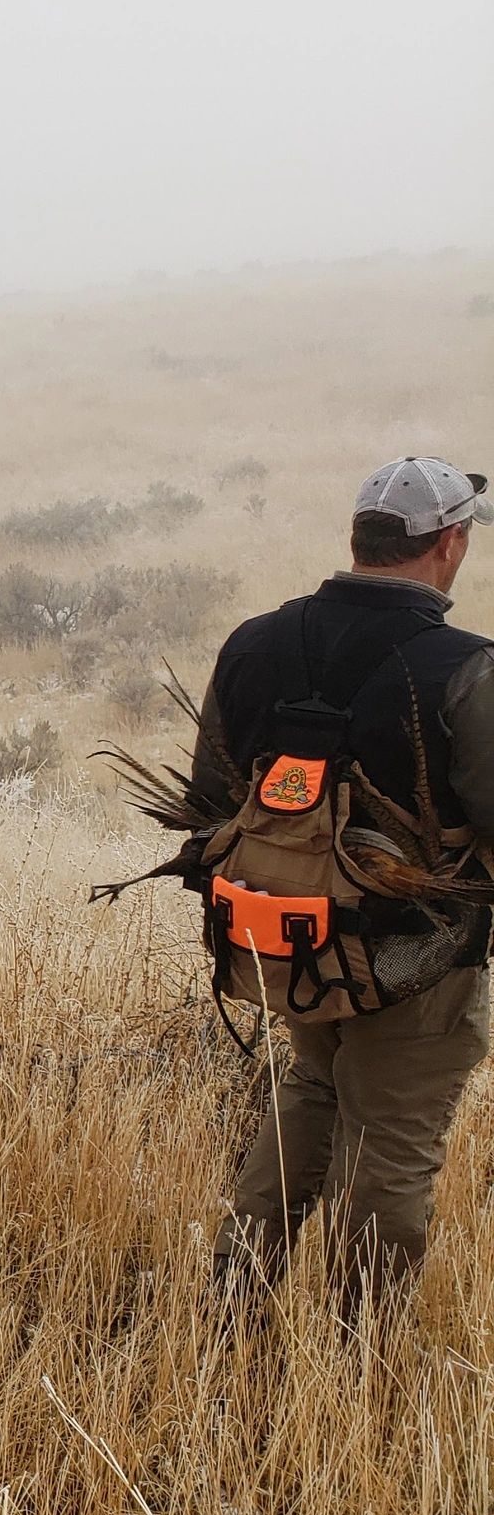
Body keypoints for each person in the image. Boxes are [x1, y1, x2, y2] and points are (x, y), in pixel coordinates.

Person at [201, 456, 494, 1312]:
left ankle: (233, 1302)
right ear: (449, 543)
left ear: (358, 540)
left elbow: (207, 799)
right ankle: (360, 1358)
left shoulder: (254, 642)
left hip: (288, 944)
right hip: (416, 959)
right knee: (394, 1148)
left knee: (313, 1091)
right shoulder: (466, 668)